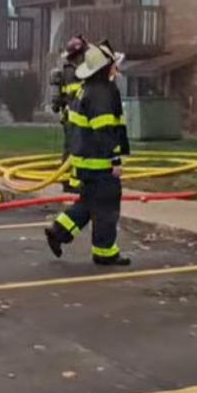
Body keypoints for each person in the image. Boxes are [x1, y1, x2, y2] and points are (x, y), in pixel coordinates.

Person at [44, 40, 130, 266]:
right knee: (107, 205)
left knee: (89, 202)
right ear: (104, 68)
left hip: (84, 160)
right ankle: (105, 253)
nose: (116, 68)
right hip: (99, 162)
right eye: (113, 64)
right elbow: (104, 130)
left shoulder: (86, 89)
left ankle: (59, 231)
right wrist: (115, 159)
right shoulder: (102, 92)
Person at [49, 35, 88, 193]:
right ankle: (73, 182)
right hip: (74, 116)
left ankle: (67, 181)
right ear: (78, 55)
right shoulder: (75, 72)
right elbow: (77, 95)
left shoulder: (68, 70)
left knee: (70, 149)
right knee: (76, 150)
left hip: (69, 116)